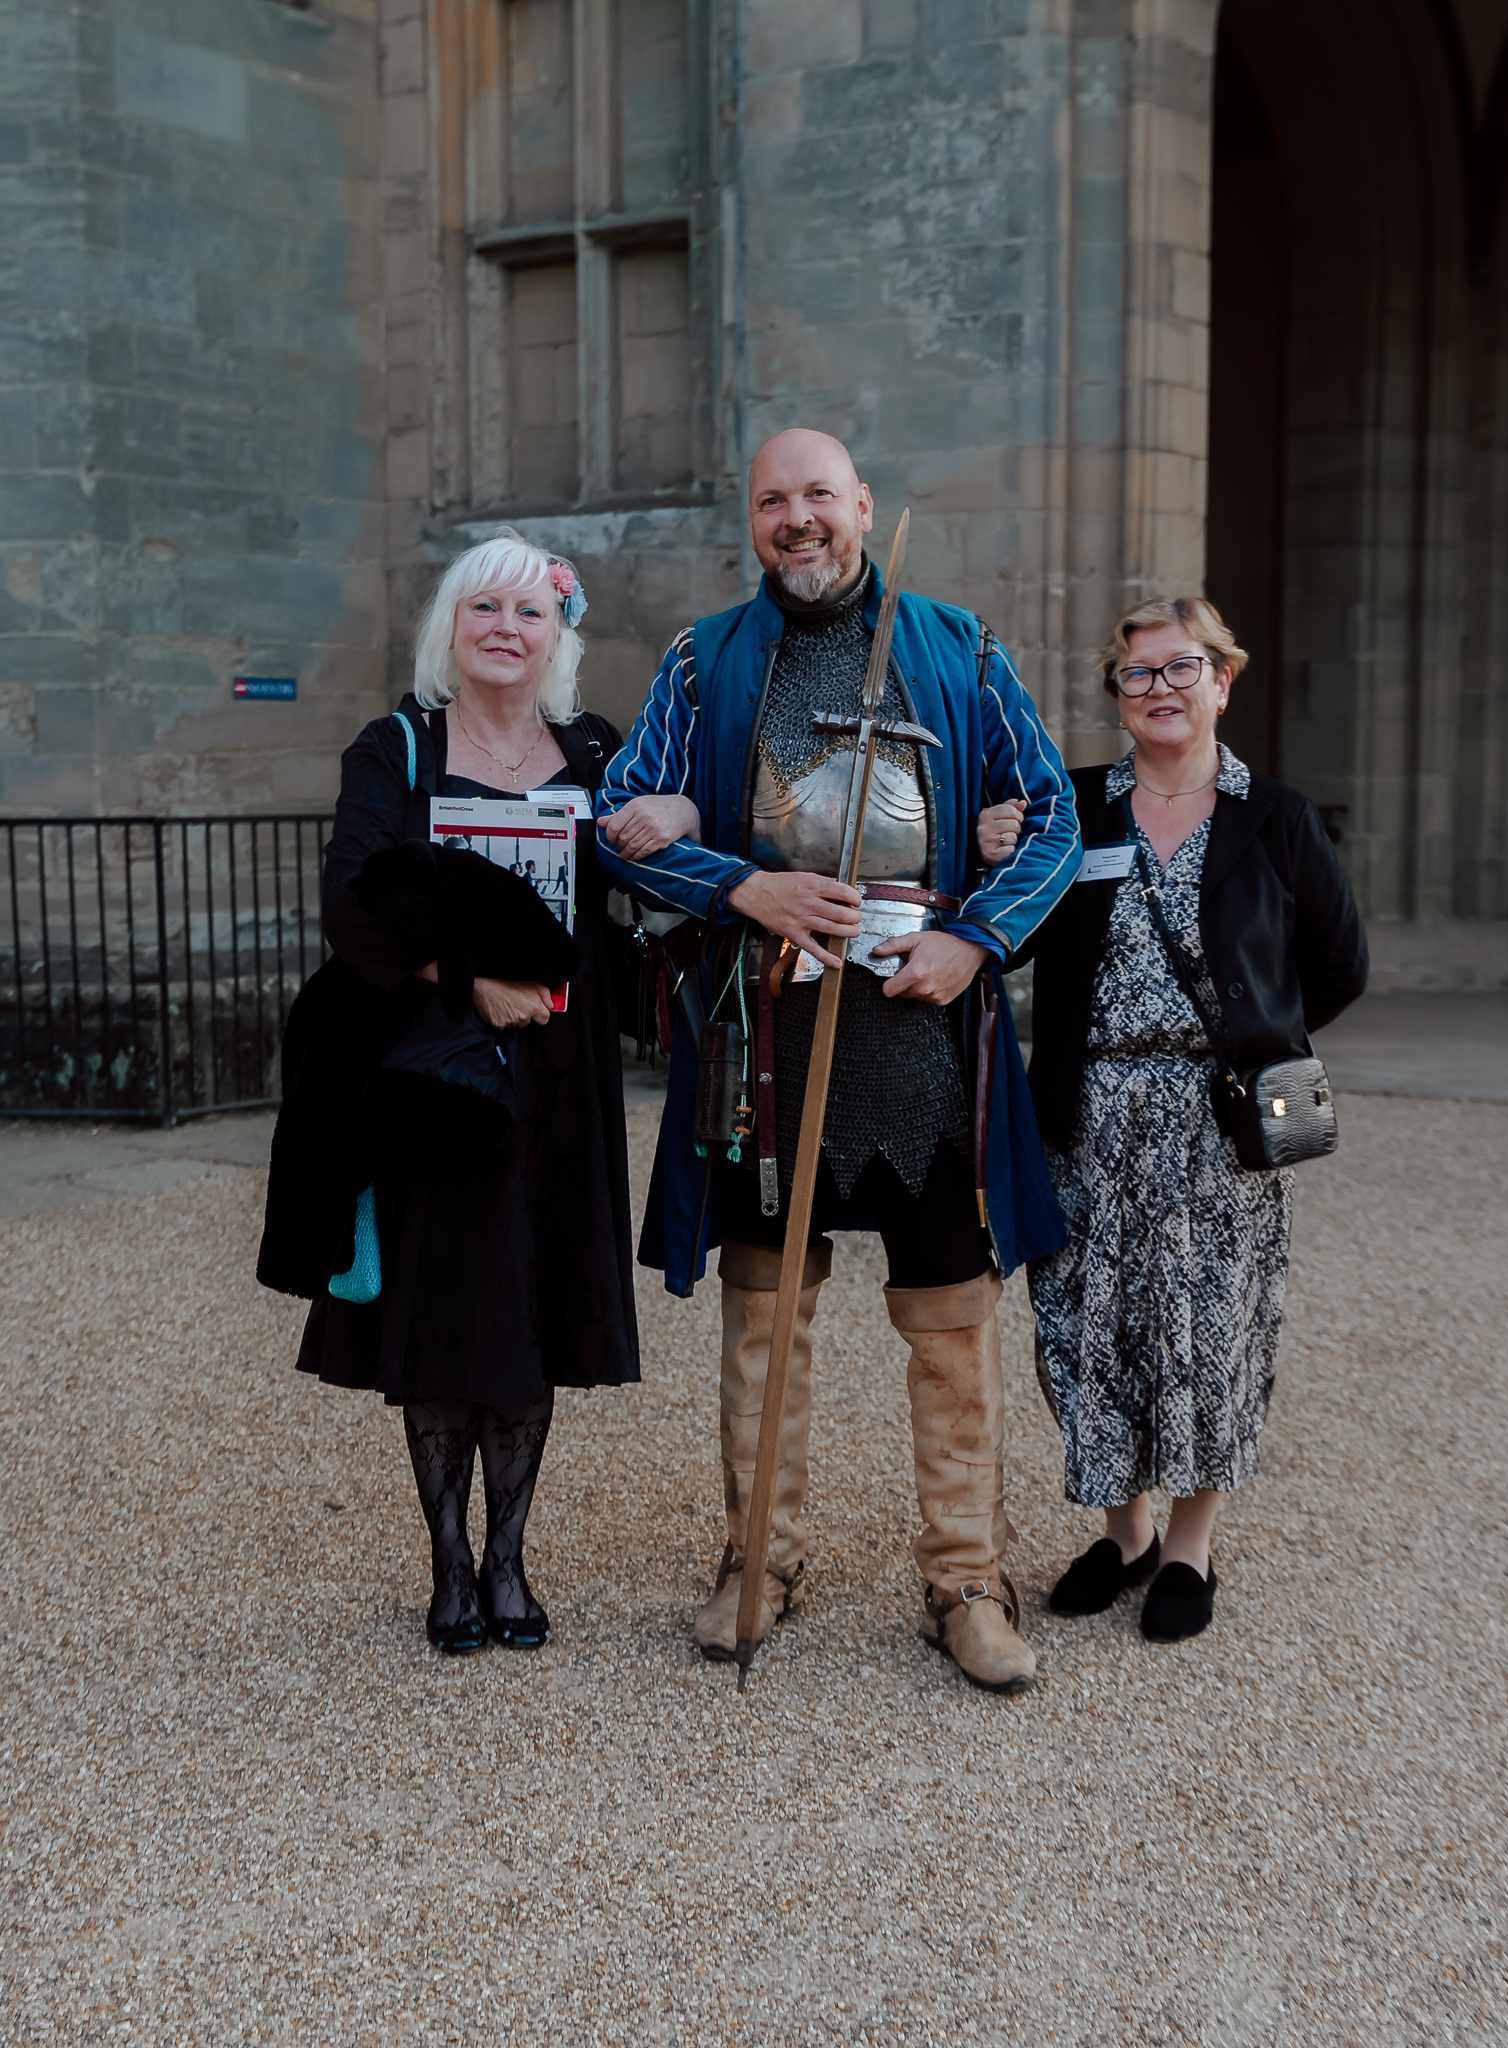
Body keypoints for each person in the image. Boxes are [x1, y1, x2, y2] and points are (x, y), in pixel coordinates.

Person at [595, 428, 1080, 1694]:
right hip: (768, 1039)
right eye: (773, 500)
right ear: (750, 519)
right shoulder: (705, 662)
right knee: (765, 1321)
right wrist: (743, 881)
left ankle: (967, 1576)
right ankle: (761, 1556)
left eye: (820, 494)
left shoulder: (961, 649)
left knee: (951, 1327)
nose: (798, 519)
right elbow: (623, 824)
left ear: (861, 505)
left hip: (924, 1039)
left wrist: (976, 941)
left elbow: (1057, 820)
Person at [291, 529, 699, 1654]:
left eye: (531, 614)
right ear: (452, 628)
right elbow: (354, 902)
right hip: (436, 1068)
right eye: (487, 611)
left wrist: (692, 818)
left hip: (562, 1078)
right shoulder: (398, 748)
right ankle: (449, 1565)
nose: (507, 631)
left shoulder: (598, 748)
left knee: (528, 1298)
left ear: (556, 635)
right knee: (443, 1299)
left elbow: (660, 856)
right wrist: (470, 979)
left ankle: (511, 1557)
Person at [989, 596, 1367, 1643]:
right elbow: (1008, 941)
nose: (1161, 687)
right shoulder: (1069, 808)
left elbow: (1340, 962)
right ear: (1116, 693)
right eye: (1138, 673)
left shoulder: (1275, 816)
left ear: (1223, 679)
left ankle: (1191, 1546)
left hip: (1219, 1122)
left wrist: (1255, 1041)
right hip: (1086, 1111)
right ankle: (1127, 1531)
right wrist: (996, 850)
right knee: (1088, 1321)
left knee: (1210, 1327)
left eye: (1181, 667)